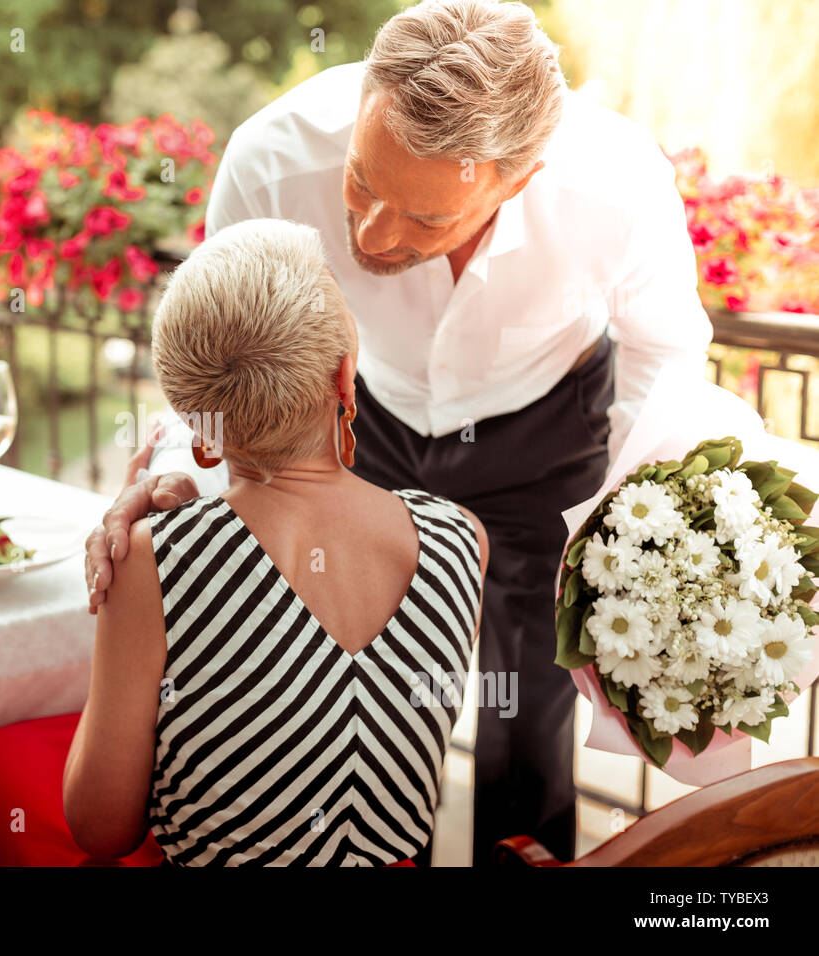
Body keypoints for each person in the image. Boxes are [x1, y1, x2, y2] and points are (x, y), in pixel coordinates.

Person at [84, 0, 712, 865]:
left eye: (425, 219)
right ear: (364, 105)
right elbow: (221, 341)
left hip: (546, 432)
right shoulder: (270, 157)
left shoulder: (618, 182)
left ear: (517, 176)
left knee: (524, 710)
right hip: (354, 418)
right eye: (361, 185)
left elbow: (666, 352)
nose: (374, 237)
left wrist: (626, 524)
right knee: (304, 693)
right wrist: (170, 472)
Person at [59, 218, 488, 865]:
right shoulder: (461, 539)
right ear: (345, 380)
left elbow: (100, 828)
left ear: (199, 435)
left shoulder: (153, 563)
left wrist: (152, 557)